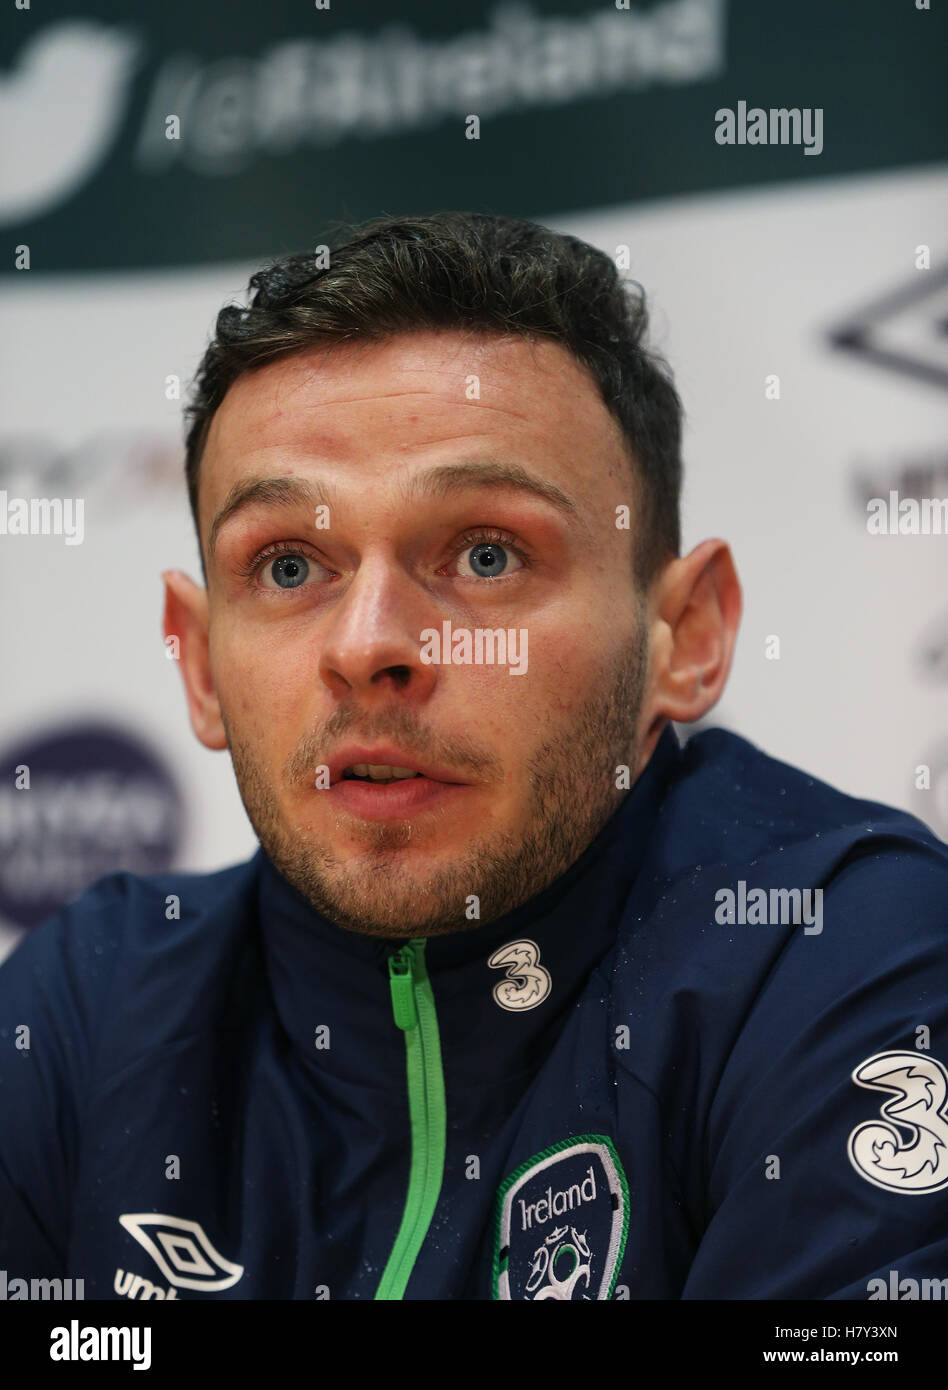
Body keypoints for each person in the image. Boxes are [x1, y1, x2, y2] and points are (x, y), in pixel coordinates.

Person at [2, 211, 946, 1302]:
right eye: (290, 567)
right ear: (202, 666)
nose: (368, 648)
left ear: (684, 639)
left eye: (486, 553)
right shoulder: (92, 1003)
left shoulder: (835, 948)